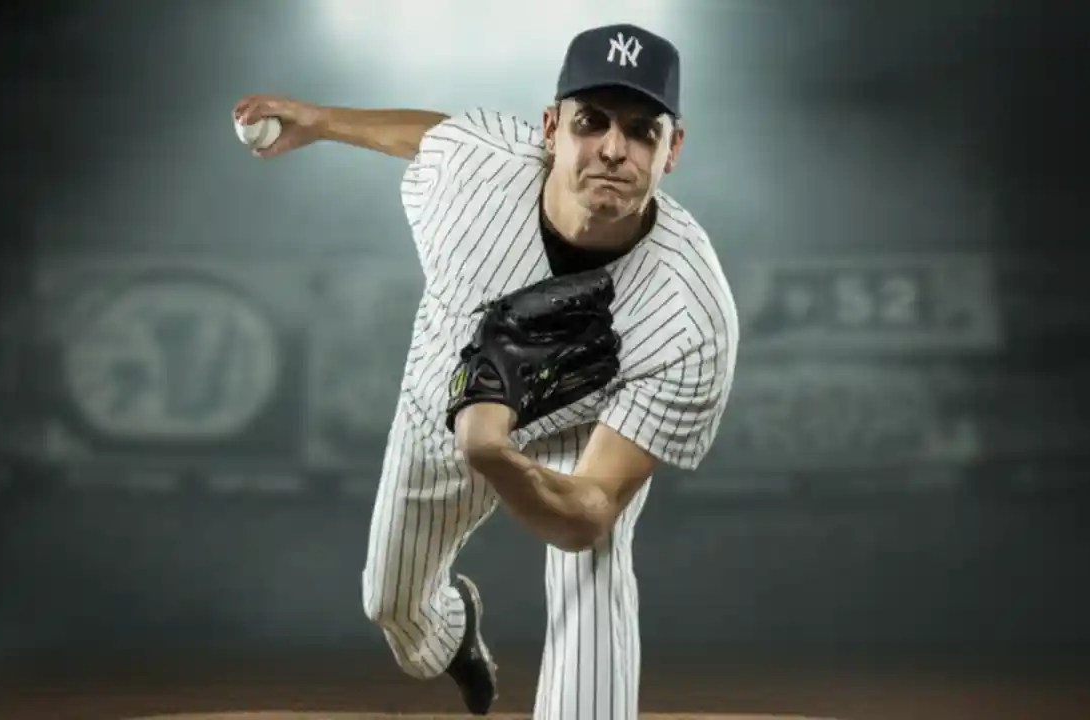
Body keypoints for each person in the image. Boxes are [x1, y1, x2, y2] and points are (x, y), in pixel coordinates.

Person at [233, 22, 738, 719]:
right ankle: (453, 634)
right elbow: (430, 138)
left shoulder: (690, 314)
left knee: (593, 566)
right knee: (392, 604)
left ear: (672, 149)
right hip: (443, 402)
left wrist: (496, 457)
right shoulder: (473, 172)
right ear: (550, 129)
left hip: (585, 417)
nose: (613, 148)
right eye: (591, 121)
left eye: (641, 130)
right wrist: (319, 121)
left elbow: (589, 513)